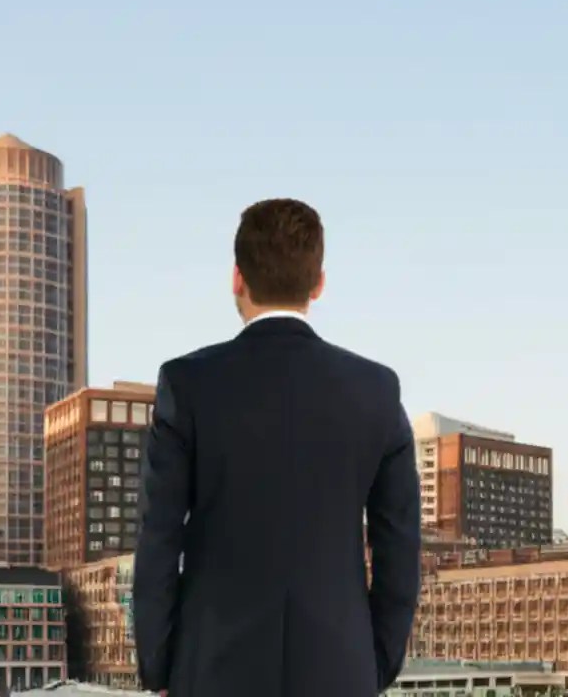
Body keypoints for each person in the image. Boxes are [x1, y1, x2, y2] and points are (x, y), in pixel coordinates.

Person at [133, 198, 422, 697]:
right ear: (318, 284)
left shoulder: (187, 385)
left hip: (211, 672)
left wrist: (161, 669)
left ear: (237, 278)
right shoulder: (377, 391)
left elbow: (158, 539)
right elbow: (399, 548)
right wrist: (374, 664)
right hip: (341, 671)